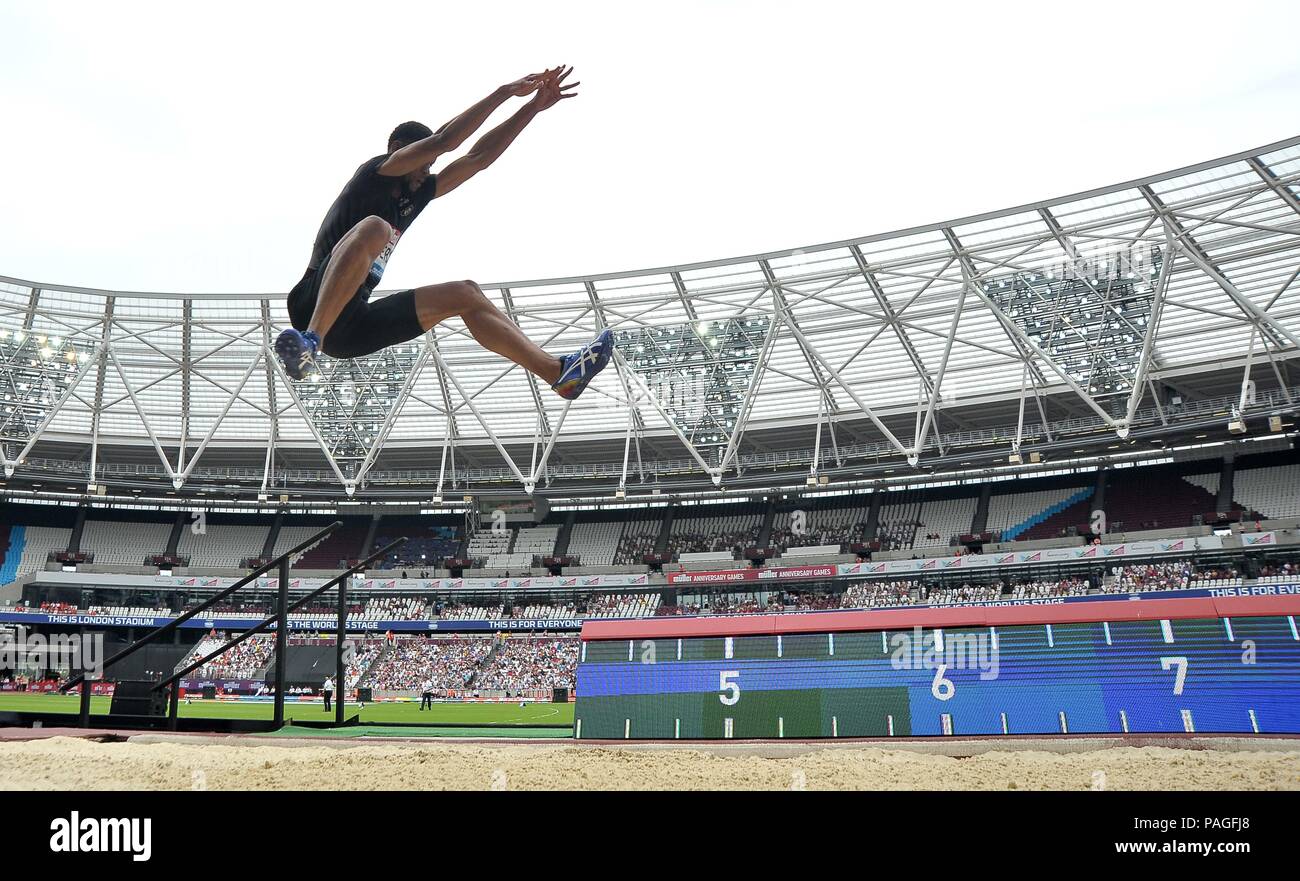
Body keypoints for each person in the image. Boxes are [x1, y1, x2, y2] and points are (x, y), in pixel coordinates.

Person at [275, 65, 614, 402]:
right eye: (422, 164)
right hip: (311, 302)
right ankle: (309, 343)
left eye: (429, 168)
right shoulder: (376, 173)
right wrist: (505, 92)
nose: (425, 173)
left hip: (352, 328)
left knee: (466, 293)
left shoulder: (417, 193)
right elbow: (446, 141)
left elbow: (477, 157)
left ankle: (557, 373)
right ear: (397, 149)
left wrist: (532, 109)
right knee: (375, 227)